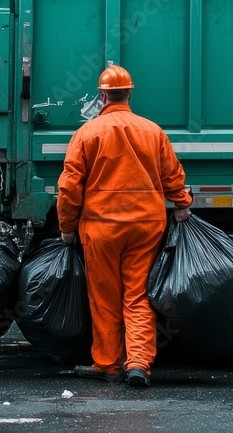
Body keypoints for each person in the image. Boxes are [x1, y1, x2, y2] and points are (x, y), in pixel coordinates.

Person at [57, 64, 192, 388]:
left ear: (102, 95)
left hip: (101, 227)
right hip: (145, 225)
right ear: (129, 93)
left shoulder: (87, 133)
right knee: (138, 295)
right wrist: (182, 203)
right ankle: (139, 364)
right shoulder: (152, 131)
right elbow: (172, 174)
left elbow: (70, 186)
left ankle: (107, 363)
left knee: (104, 297)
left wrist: (67, 226)